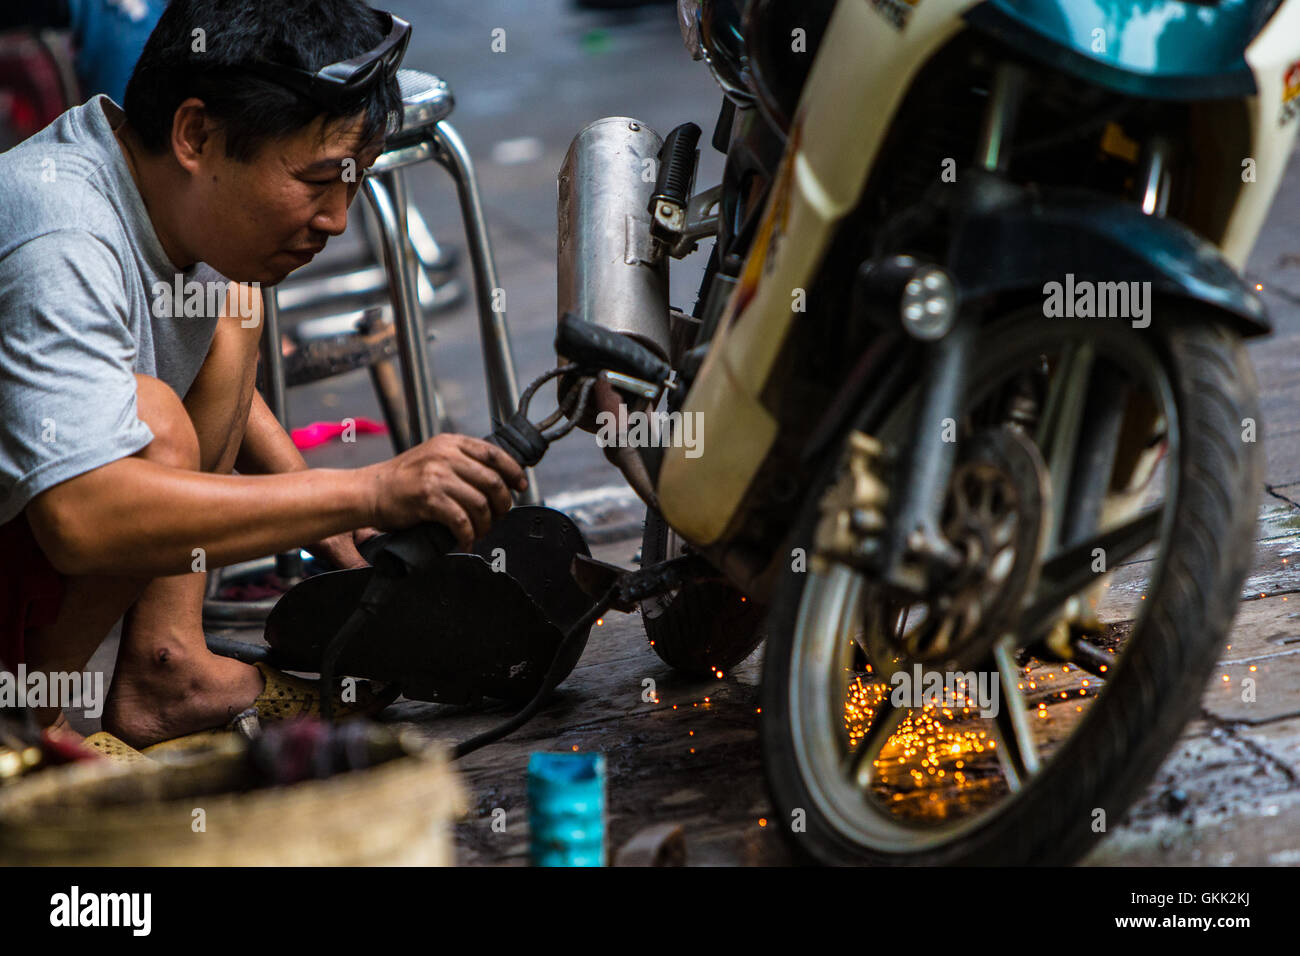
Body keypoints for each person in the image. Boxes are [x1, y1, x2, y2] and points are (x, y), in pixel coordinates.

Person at [0, 0, 525, 750]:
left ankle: (168, 670)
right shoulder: (60, 236)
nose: (338, 220)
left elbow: (201, 367)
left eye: (353, 184)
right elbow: (84, 515)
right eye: (317, 182)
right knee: (149, 429)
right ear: (196, 134)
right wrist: (370, 486)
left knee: (229, 304)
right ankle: (30, 725)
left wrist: (340, 530)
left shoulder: (158, 190)